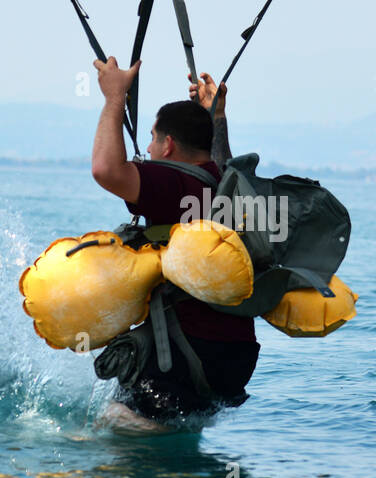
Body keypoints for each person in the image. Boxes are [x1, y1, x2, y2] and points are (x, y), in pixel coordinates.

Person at [89, 56, 259, 434]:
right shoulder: (226, 185)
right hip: (233, 361)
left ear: (168, 145)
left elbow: (105, 169)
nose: (148, 149)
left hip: (183, 355)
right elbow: (222, 159)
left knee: (113, 428)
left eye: (152, 139)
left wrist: (114, 97)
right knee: (179, 436)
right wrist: (216, 115)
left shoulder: (169, 184)